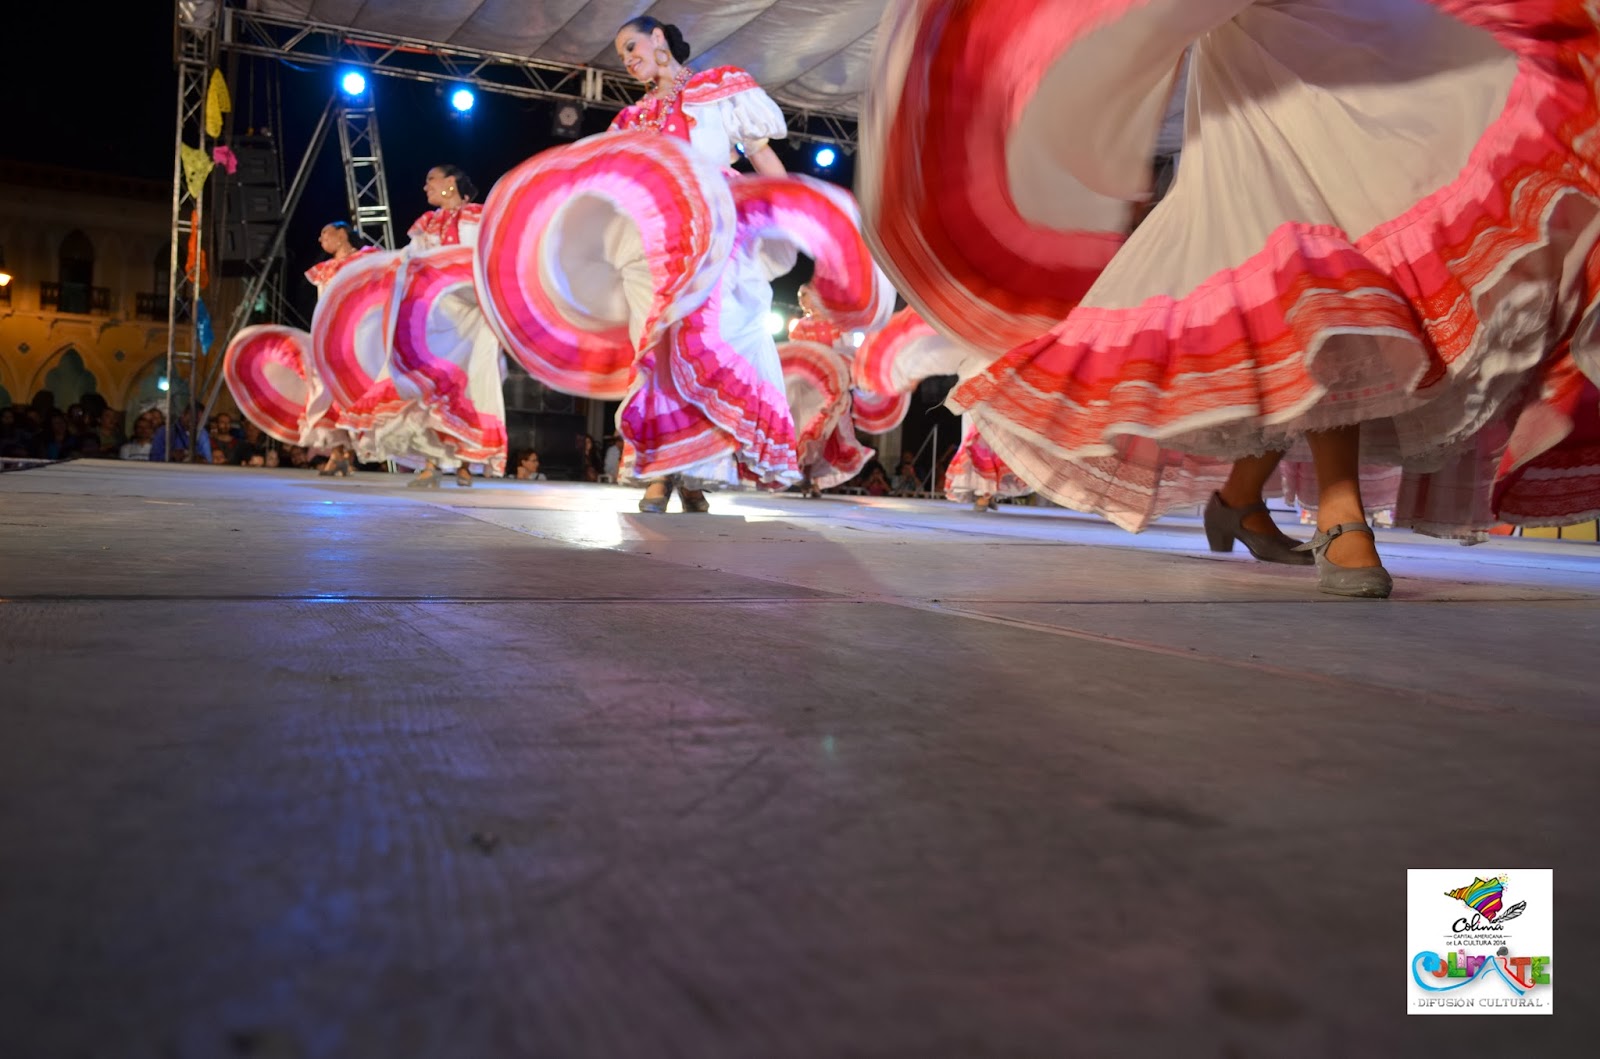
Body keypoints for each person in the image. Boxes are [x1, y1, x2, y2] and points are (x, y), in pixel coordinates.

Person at [862, 0, 1600, 599]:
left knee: (1384, 251)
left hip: (1361, 28)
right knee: (1314, 266)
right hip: (1259, 61)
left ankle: (1242, 497)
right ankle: (1340, 513)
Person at [474, 17, 889, 516]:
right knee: (655, 350)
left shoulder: (719, 91)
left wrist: (792, 206)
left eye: (632, 45)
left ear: (659, 39)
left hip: (715, 233)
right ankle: (658, 475)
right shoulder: (630, 120)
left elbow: (761, 155)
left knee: (712, 342)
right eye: (621, 52)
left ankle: (698, 475)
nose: (627, 58)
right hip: (649, 246)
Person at [397, 165, 509, 489]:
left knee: (474, 382)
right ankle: (433, 462)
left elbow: (493, 254)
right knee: (436, 380)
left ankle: (464, 461)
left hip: (478, 310)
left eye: (430, 179)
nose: (424, 186)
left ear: (450, 182)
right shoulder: (427, 224)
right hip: (441, 314)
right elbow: (410, 259)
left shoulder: (478, 215)